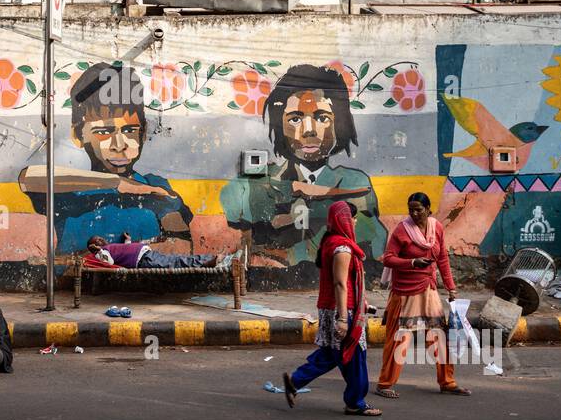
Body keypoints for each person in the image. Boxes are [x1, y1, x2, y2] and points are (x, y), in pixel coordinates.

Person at [221, 64, 385, 272]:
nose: (309, 131)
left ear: (340, 123)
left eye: (322, 118)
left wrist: (291, 254)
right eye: (296, 119)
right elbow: (234, 211)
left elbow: (371, 239)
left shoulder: (354, 182)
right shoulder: (266, 181)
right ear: (279, 124)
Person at [21, 63, 192, 255]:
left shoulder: (155, 186)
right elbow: (28, 178)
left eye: (129, 130)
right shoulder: (68, 188)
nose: (119, 145)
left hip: (144, 281)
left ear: (142, 134)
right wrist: (116, 183)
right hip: (76, 282)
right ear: (78, 135)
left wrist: (112, 253)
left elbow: (182, 247)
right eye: (103, 132)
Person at [280, 202, 381, 415]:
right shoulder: (343, 247)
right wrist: (343, 318)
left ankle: (295, 381)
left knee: (330, 353)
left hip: (331, 306)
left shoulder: (330, 242)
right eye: (353, 218)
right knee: (355, 356)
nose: (355, 222)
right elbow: (340, 283)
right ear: (346, 220)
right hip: (342, 309)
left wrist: (363, 302)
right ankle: (356, 403)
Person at [375, 192, 471, 399]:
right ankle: (384, 384)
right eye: (411, 209)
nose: (414, 213)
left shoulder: (436, 227)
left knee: (439, 337)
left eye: (418, 209)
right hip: (404, 293)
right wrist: (412, 263)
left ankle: (447, 382)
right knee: (399, 339)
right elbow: (388, 258)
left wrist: (451, 288)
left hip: (429, 290)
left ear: (429, 209)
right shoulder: (402, 230)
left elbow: (443, 257)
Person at [87, 235, 229, 270]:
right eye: (97, 241)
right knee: (176, 262)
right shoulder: (101, 253)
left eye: (100, 238)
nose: (101, 240)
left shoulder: (111, 246)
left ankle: (210, 259)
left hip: (146, 254)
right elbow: (110, 262)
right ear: (93, 247)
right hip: (143, 260)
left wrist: (128, 241)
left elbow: (123, 252)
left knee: (177, 259)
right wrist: (99, 251)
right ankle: (207, 262)